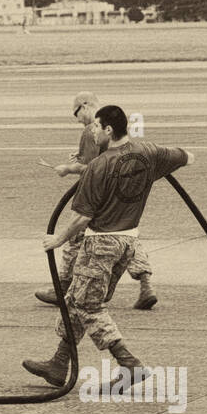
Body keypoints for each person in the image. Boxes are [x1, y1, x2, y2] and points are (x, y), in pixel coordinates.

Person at [23, 105, 193, 388]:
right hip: (128, 241)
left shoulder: (99, 166)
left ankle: (130, 364)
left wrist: (58, 239)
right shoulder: (149, 152)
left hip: (100, 243)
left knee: (88, 306)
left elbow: (82, 217)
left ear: (109, 130)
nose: (92, 131)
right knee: (75, 301)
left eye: (97, 126)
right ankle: (58, 363)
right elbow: (188, 157)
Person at [36, 92, 160, 310]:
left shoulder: (90, 130)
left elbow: (90, 167)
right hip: (120, 194)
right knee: (126, 236)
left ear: (84, 106)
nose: (77, 119)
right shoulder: (113, 128)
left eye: (76, 113)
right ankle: (145, 283)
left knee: (75, 240)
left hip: (97, 195)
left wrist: (67, 168)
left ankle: (62, 287)